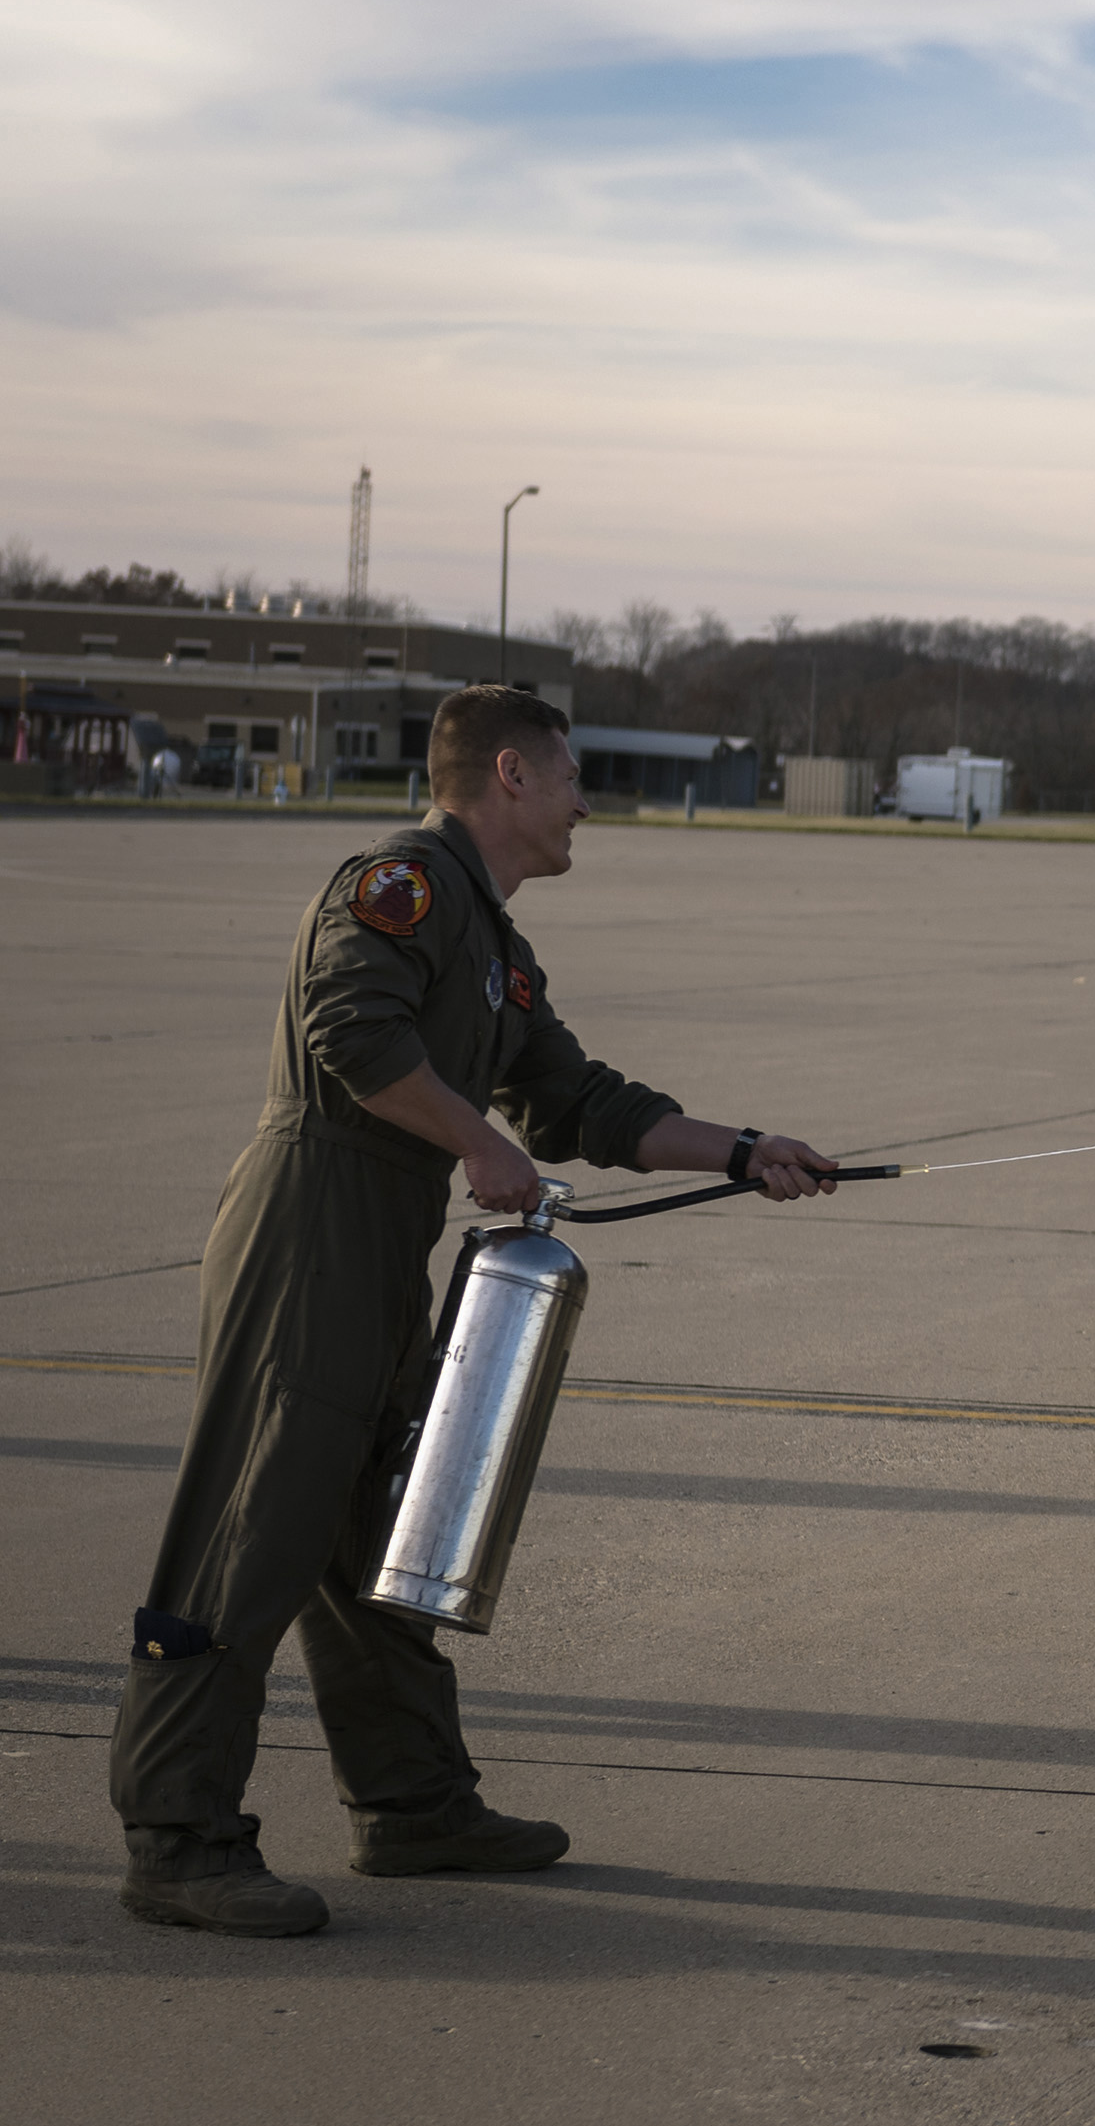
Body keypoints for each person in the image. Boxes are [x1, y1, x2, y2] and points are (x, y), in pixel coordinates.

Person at [109, 684, 844, 1938]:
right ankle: (178, 1834)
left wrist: (746, 1149)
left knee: (373, 1538)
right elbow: (349, 1025)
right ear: (510, 774)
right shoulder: (402, 885)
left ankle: (412, 1806)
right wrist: (475, 1144)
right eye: (570, 779)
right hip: (311, 1225)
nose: (584, 803)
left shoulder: (494, 944)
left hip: (386, 1240)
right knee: (256, 1526)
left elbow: (580, 1101)